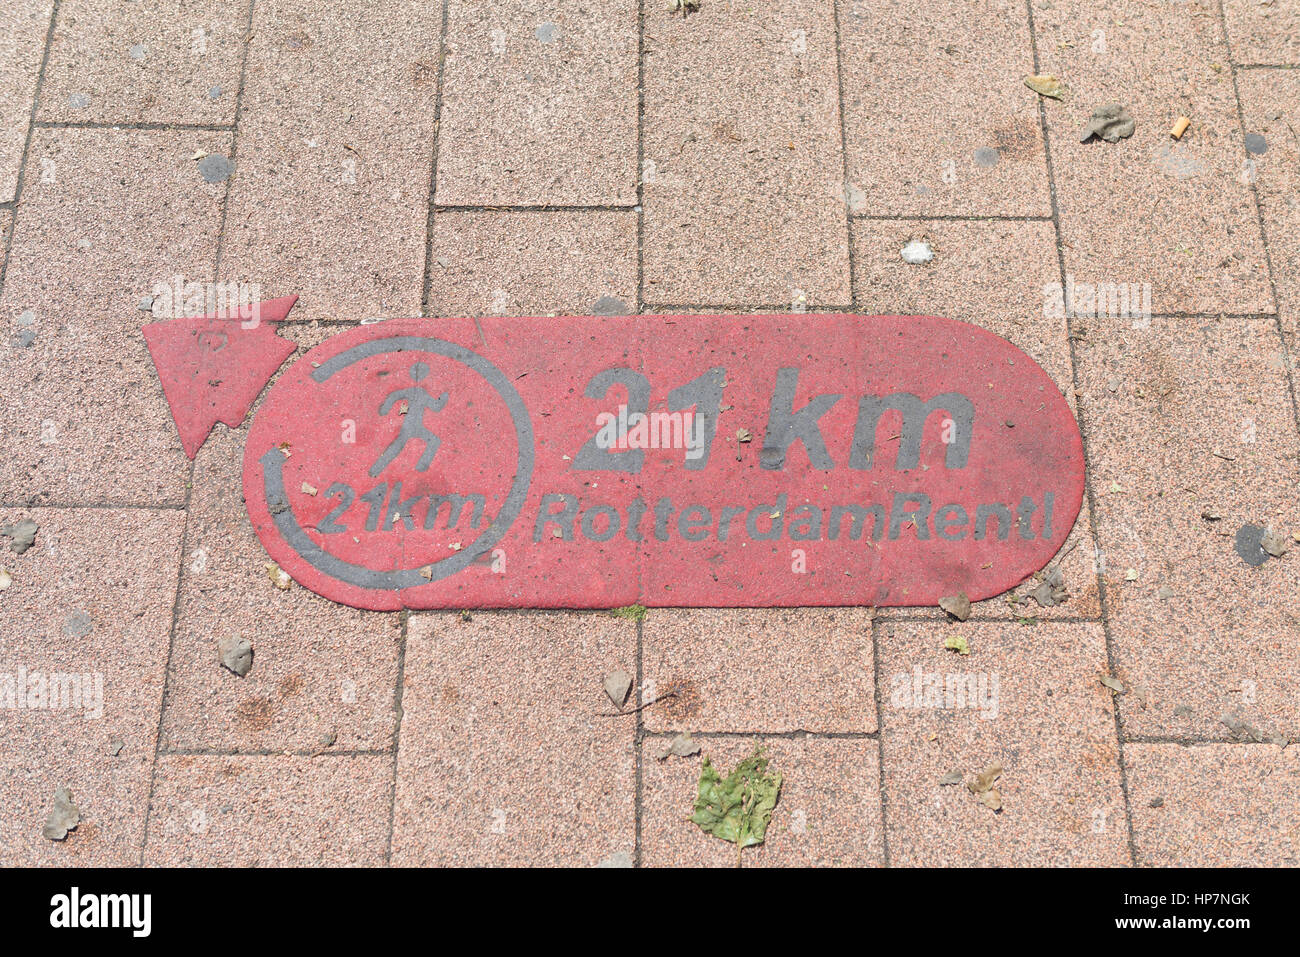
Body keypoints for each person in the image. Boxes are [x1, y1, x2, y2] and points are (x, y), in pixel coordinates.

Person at [368, 362, 449, 477]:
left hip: (412, 426)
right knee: (401, 446)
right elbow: (436, 407)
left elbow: (394, 396)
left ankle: (376, 469)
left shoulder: (417, 392)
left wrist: (385, 409)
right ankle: (421, 465)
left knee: (398, 447)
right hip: (412, 426)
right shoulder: (419, 392)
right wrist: (444, 398)